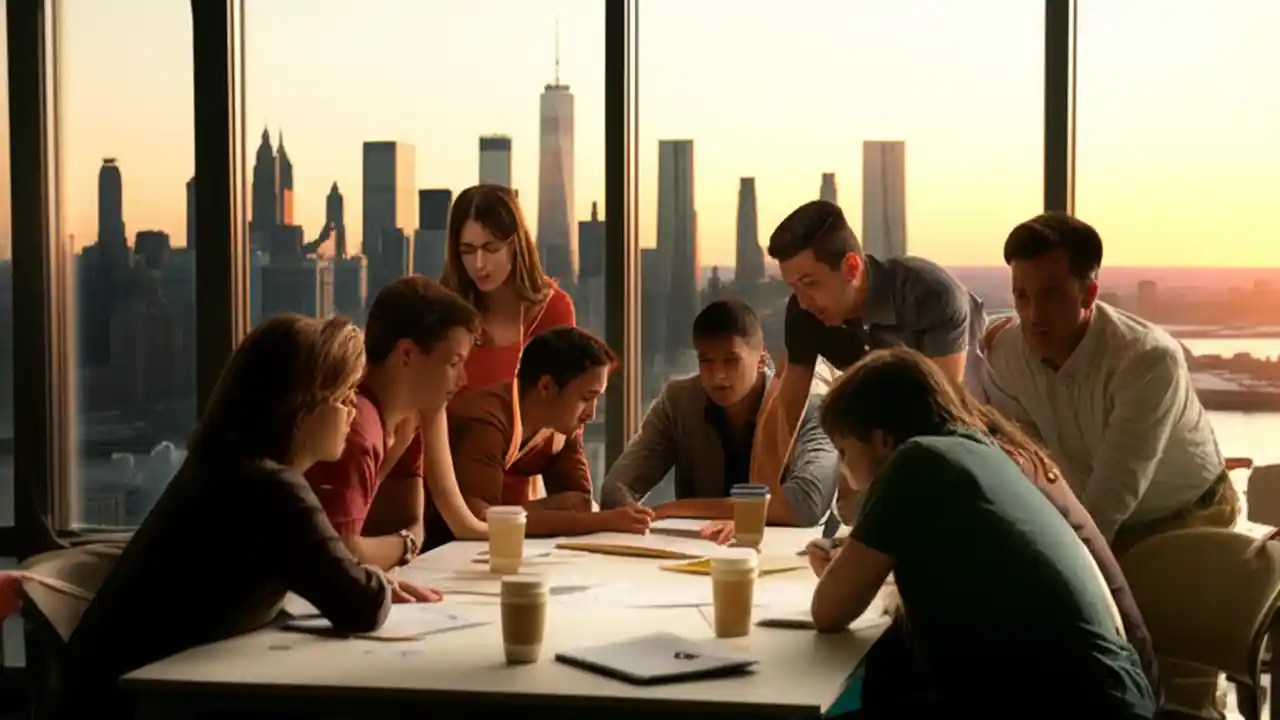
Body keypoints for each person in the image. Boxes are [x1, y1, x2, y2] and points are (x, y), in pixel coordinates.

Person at [64, 316, 393, 718]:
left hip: (105, 697)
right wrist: (379, 580)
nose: (353, 413)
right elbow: (362, 606)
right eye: (344, 397)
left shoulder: (219, 467)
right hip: (142, 707)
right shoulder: (272, 490)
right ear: (301, 409)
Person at [982, 213, 1236, 718]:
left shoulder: (1147, 361)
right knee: (1095, 681)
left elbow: (1111, 499)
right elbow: (1025, 469)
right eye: (1021, 295)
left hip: (1186, 519)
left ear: (1090, 292)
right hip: (1088, 518)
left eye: (1052, 294)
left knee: (1181, 697)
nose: (1033, 314)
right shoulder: (1007, 354)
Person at [812, 347, 1155, 718]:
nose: (843, 469)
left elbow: (828, 612)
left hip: (1067, 704)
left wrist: (841, 571)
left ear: (881, 440)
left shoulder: (913, 462)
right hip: (1108, 695)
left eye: (844, 451)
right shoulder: (984, 451)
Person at [750, 200, 986, 501]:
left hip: (964, 412)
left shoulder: (930, 294)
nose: (804, 301)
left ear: (851, 267)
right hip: (883, 419)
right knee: (852, 501)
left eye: (810, 283)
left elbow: (939, 413)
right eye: (794, 287)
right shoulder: (805, 312)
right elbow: (788, 409)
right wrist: (757, 503)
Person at [600, 299, 838, 527]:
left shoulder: (806, 404)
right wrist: (634, 515)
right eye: (706, 361)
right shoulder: (679, 402)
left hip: (782, 554)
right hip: (694, 550)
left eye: (731, 360)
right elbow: (615, 489)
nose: (718, 375)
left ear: (761, 360)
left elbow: (807, 502)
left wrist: (674, 509)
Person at [306, 275, 489, 562]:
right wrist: (403, 547)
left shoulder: (402, 421)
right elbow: (338, 557)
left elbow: (405, 525)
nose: (463, 380)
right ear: (406, 354)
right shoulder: (353, 427)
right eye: (453, 363)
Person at [434, 326, 651, 545]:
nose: (592, 414)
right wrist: (603, 521)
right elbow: (482, 522)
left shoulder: (560, 424)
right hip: (436, 547)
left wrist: (511, 514)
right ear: (546, 387)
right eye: (586, 398)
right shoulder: (485, 421)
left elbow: (579, 503)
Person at [440, 184, 576, 396]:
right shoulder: (444, 312)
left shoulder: (552, 310)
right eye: (467, 250)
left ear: (516, 245)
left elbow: (565, 408)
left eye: (491, 248)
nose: (479, 263)